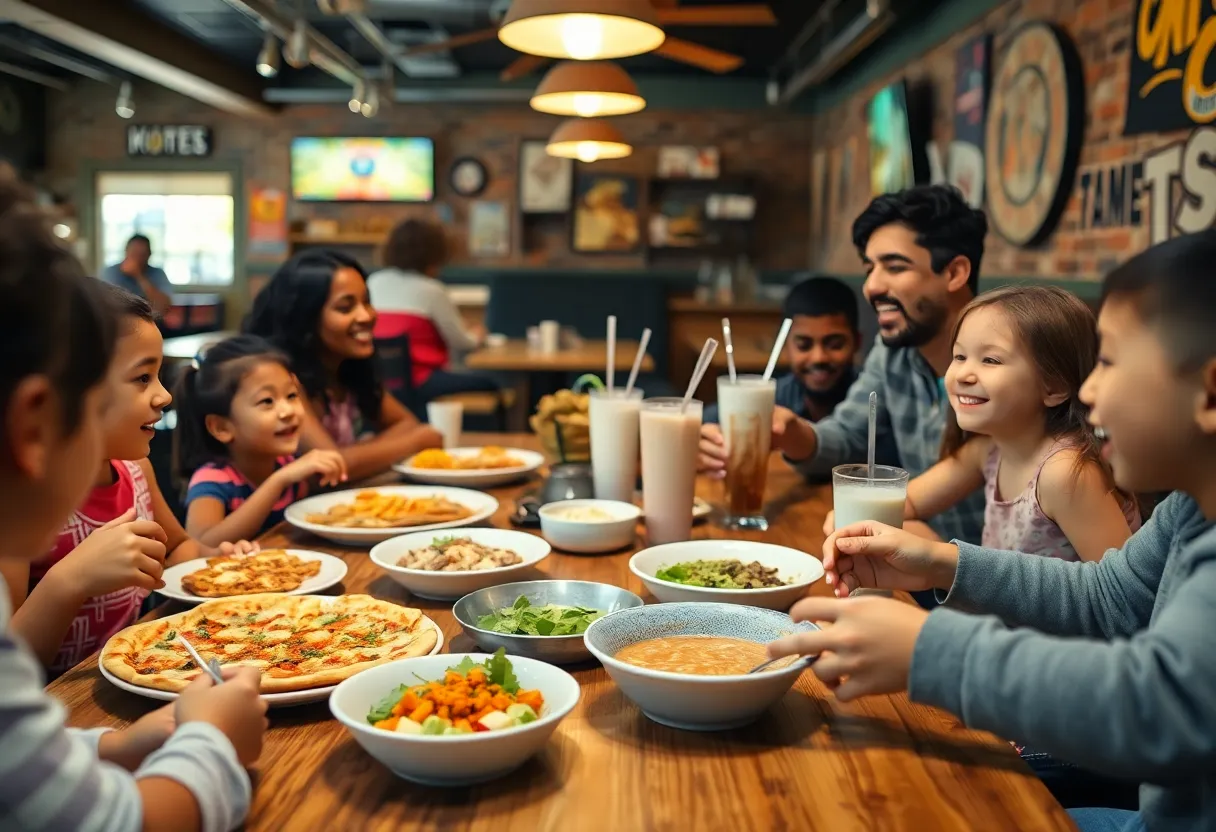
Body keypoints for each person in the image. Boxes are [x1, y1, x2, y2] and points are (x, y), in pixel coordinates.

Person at [768, 230, 1216, 832]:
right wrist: (938, 562)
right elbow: (1111, 597)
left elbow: (1157, 708)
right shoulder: (1190, 508)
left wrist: (932, 653)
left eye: (1108, 362)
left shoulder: (1072, 470)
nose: (1088, 390)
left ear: (1209, 392)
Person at [0, 163, 265, 831]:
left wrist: (116, 746)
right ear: (36, 425)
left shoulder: (135, 476)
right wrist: (213, 740)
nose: (164, 396)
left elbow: (22, 769)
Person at [699, 185, 988, 546]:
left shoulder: (1011, 365)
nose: (871, 287)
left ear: (955, 272)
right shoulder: (893, 352)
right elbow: (850, 436)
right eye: (870, 269)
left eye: (894, 267)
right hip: (920, 562)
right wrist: (794, 433)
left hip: (992, 581)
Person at [0, 284, 256, 675]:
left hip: (139, 665)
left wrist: (222, 560)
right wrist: (69, 579)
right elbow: (11, 669)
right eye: (141, 378)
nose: (164, 395)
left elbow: (175, 549)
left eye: (159, 376)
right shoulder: (20, 503)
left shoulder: (135, 470)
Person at [827, 285, 1140, 562]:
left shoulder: (1065, 474)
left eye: (990, 360)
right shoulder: (990, 450)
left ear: (1054, 387)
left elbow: (1120, 595)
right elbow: (906, 502)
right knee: (910, 529)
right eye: (960, 357)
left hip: (1039, 629)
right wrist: (850, 516)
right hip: (997, 616)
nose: (963, 374)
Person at [244, 248, 443, 481]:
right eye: (345, 308)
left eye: (366, 302)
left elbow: (406, 423)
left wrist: (360, 454)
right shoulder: (281, 379)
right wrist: (416, 442)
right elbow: (331, 465)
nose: (366, 315)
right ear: (305, 318)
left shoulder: (348, 367)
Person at [175, 335, 348, 546]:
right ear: (222, 427)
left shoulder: (287, 466)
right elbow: (199, 544)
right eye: (267, 401)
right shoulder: (213, 479)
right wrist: (278, 481)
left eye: (292, 395)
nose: (287, 411)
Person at [366, 218, 499, 412]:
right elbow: (462, 343)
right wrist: (478, 335)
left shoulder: (373, 282)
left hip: (376, 384)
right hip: (423, 383)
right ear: (435, 254)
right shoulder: (433, 290)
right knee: (490, 384)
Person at [702, 276, 869, 426]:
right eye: (804, 346)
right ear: (784, 344)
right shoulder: (772, 399)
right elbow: (704, 422)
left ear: (857, 343)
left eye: (835, 345)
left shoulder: (874, 403)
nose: (819, 357)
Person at [102, 233, 173, 316]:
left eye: (142, 254)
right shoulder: (110, 272)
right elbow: (105, 305)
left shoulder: (158, 274)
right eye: (134, 253)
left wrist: (139, 276)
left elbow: (164, 308)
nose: (137, 259)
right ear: (126, 252)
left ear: (149, 254)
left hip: (150, 322)